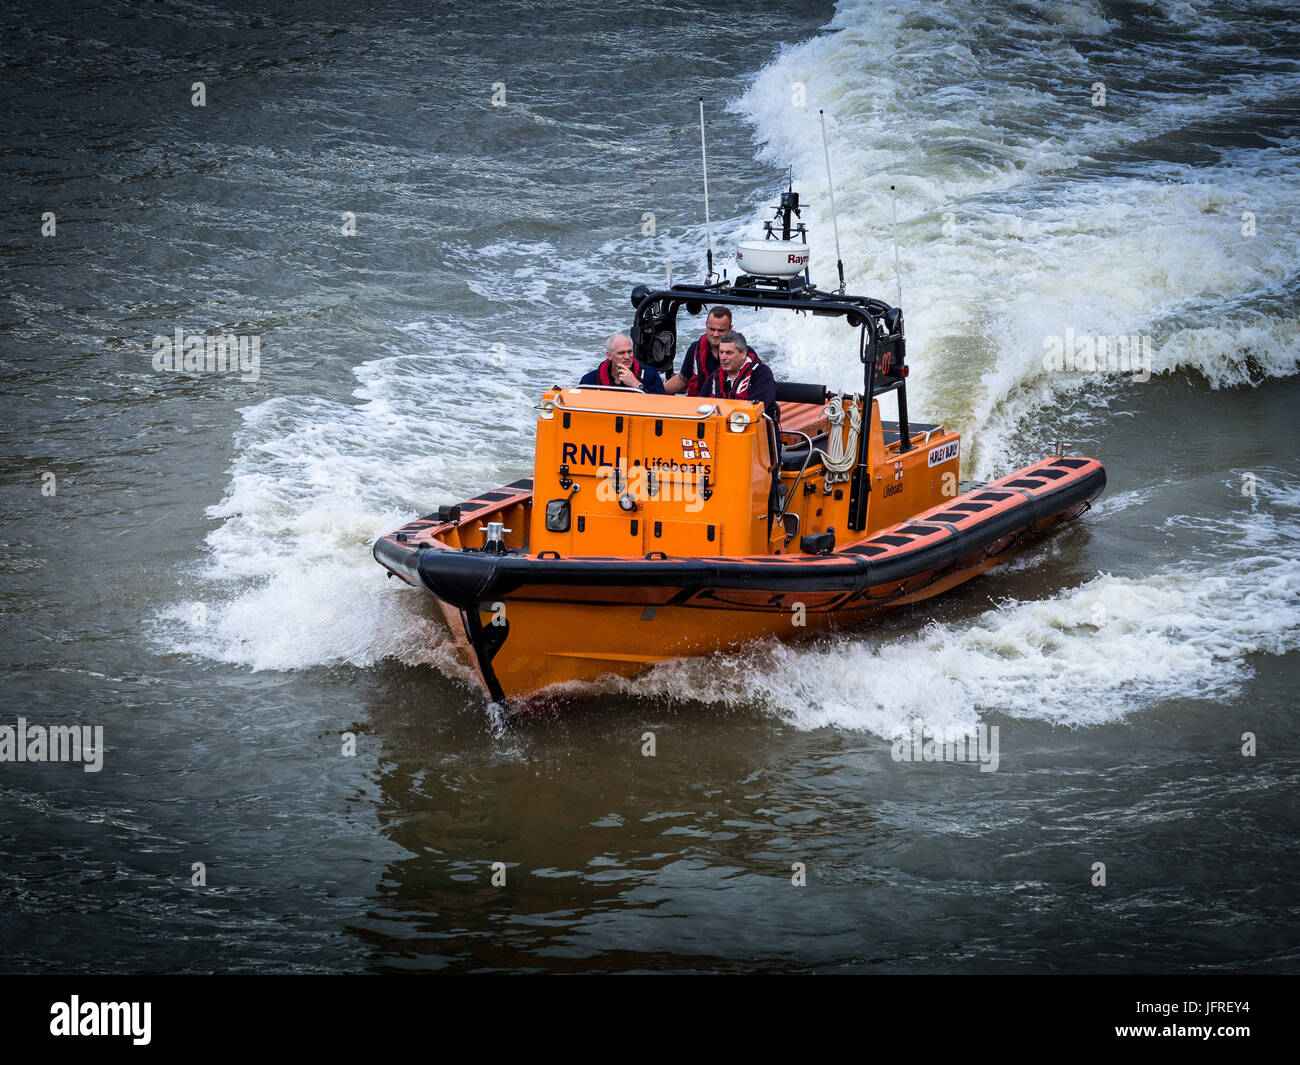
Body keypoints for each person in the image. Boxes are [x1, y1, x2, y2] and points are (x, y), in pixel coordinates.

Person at [664, 307, 756, 396]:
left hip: (732, 406)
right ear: (706, 325)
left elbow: (758, 382)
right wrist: (657, 391)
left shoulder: (744, 353)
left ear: (730, 329)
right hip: (700, 405)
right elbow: (682, 379)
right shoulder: (695, 349)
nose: (715, 334)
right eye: (712, 329)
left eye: (721, 330)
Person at [697, 330, 779, 428]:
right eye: (721, 352)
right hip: (718, 433)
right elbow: (700, 406)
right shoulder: (714, 378)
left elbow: (755, 410)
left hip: (757, 435)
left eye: (729, 353)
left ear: (743, 354)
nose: (723, 357)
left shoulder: (761, 373)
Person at [581, 332, 666, 393]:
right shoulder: (589, 381)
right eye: (621, 353)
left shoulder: (650, 375)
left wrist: (636, 385)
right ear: (609, 355)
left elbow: (660, 405)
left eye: (629, 352)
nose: (627, 357)